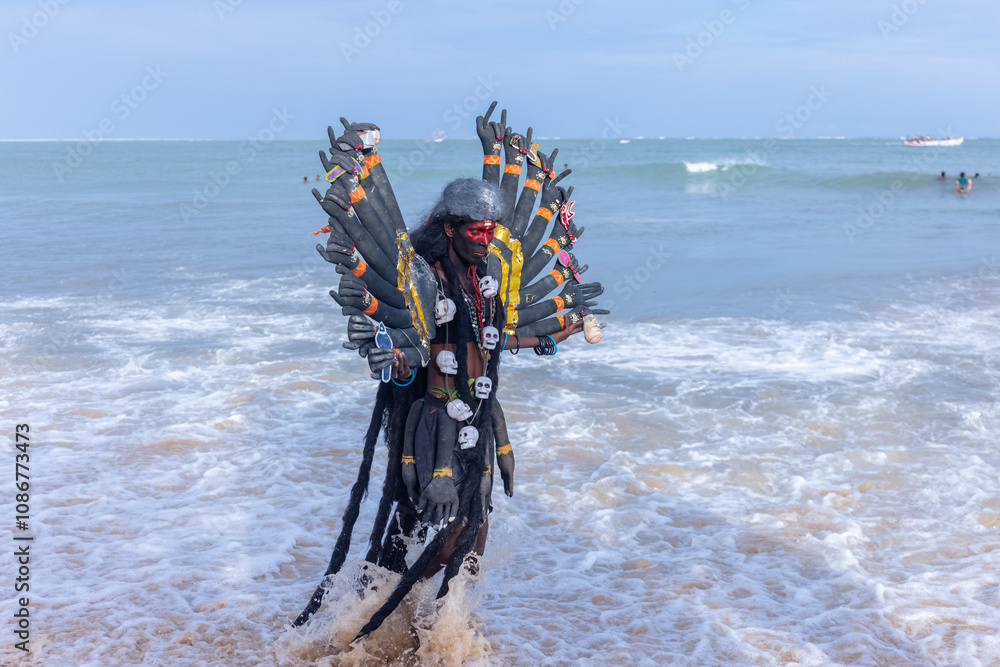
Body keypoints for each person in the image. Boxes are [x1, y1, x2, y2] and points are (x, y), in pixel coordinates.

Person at [293, 104, 607, 642]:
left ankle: (427, 628)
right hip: (433, 423)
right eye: (477, 229)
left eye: (492, 229)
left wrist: (559, 332)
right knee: (444, 527)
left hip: (479, 416)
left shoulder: (488, 276)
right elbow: (409, 344)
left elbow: (497, 337)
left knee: (471, 531)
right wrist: (389, 351)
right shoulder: (424, 276)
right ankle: (379, 622)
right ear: (448, 228)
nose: (487, 238)